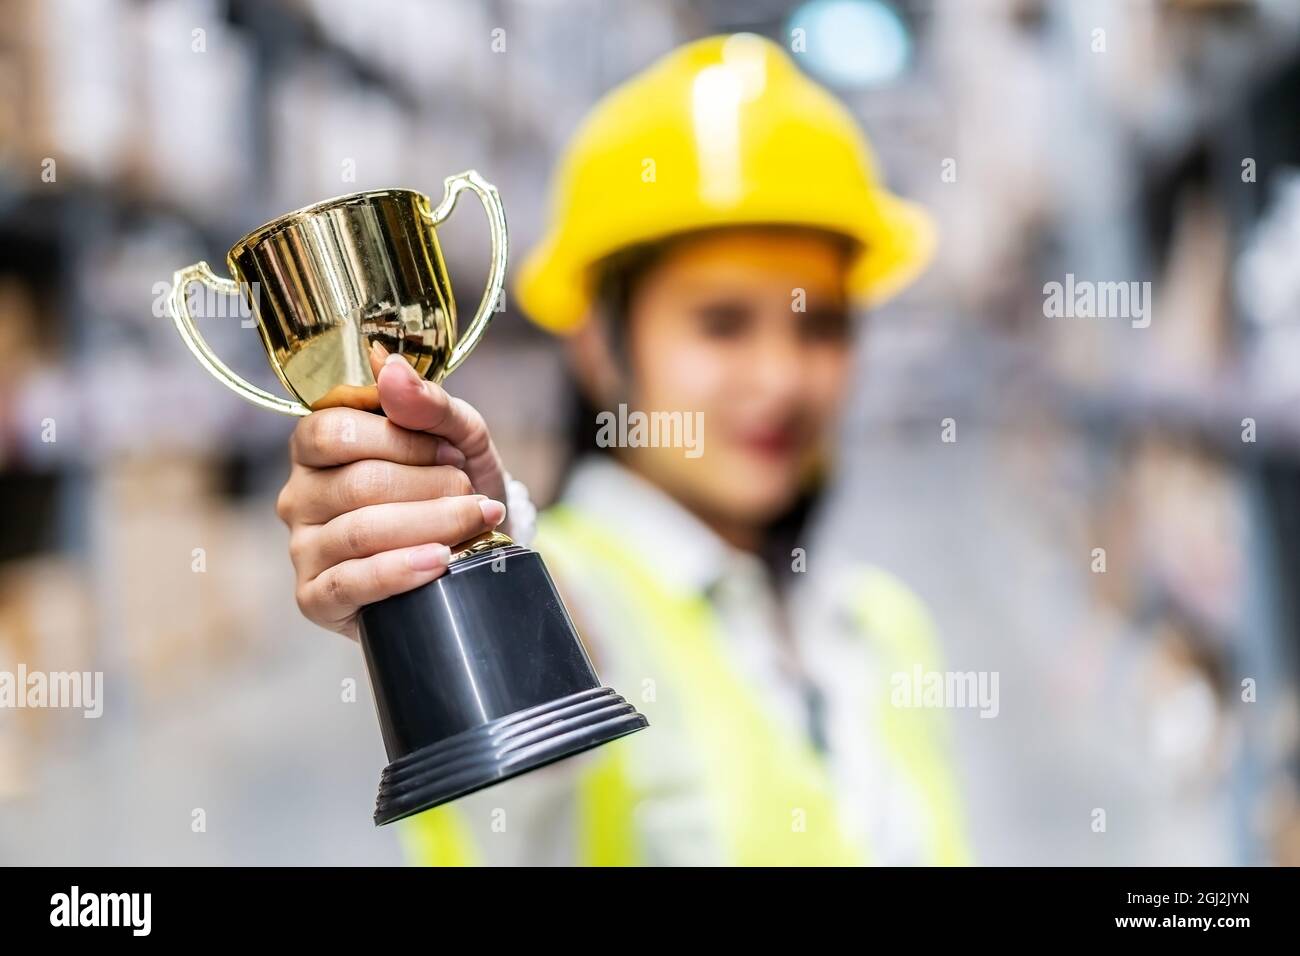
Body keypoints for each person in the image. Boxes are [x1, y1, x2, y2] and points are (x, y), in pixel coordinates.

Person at [275, 34, 969, 865]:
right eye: (722, 323)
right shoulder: (578, 605)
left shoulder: (885, 626)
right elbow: (532, 757)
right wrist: (470, 577)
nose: (782, 378)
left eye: (819, 325)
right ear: (599, 345)